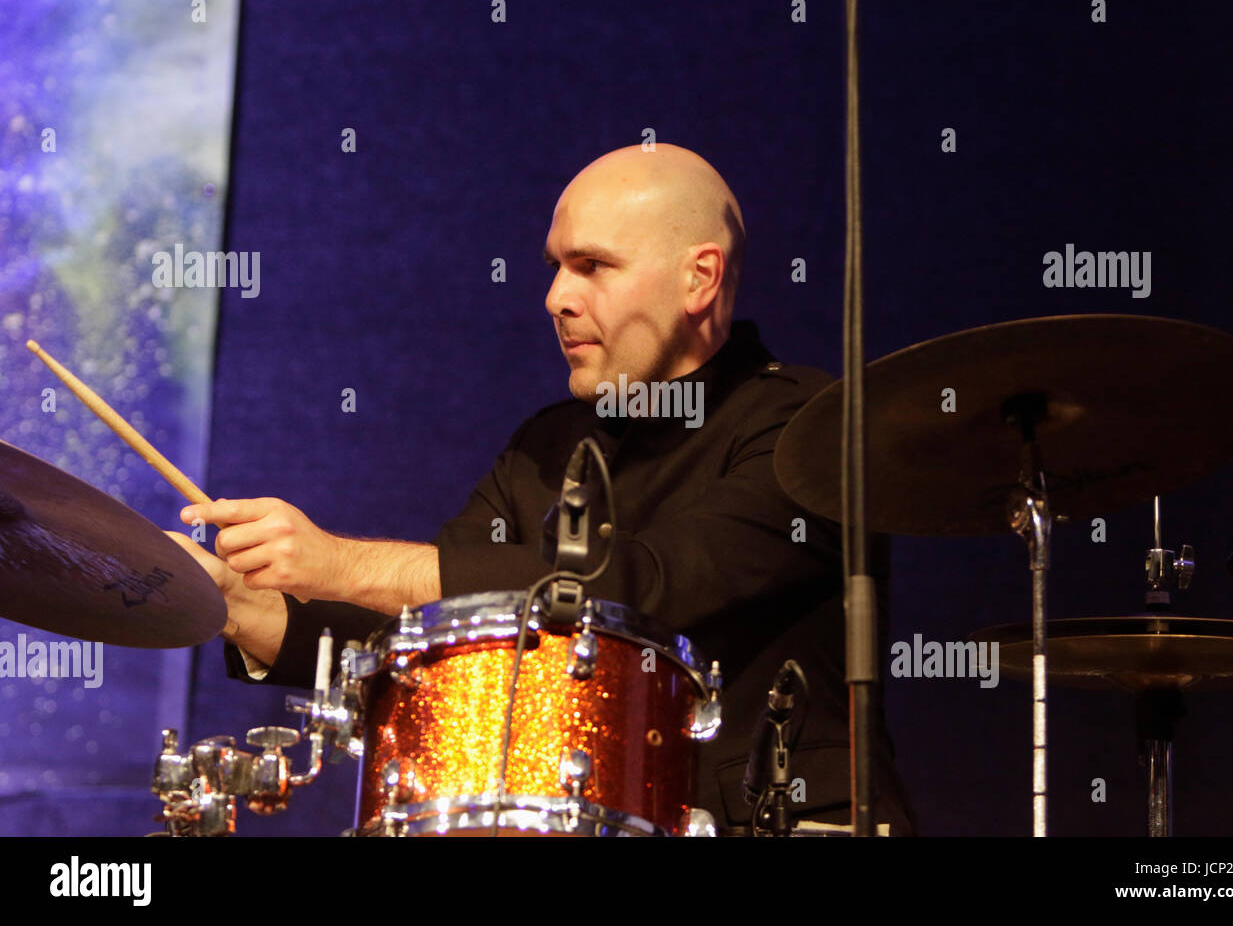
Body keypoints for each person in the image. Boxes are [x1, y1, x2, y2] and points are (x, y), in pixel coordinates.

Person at [167, 143, 914, 835]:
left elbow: (646, 586)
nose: (556, 296)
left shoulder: (810, 430)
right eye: (556, 266)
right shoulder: (547, 445)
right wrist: (239, 602)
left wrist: (341, 562)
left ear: (701, 277)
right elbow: (428, 640)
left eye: (592, 266)